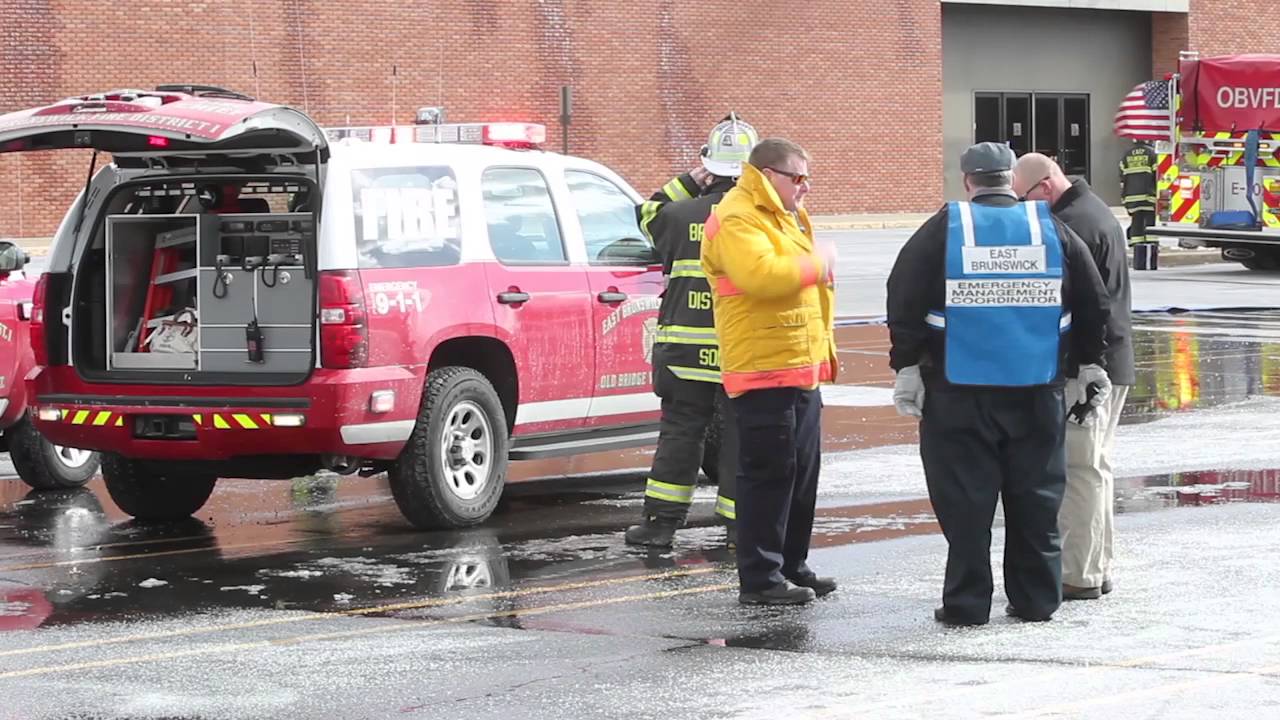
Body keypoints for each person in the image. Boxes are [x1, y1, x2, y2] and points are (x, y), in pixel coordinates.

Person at [887, 142, 1113, 626]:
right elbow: (1095, 299)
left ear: (968, 182)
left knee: (966, 506)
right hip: (1036, 391)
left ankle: (967, 606)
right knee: (1036, 499)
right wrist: (1089, 364)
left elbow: (902, 294)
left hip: (957, 392)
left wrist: (906, 364)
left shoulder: (944, 229)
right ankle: (1036, 600)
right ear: (1011, 179)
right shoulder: (1049, 227)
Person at [701, 138, 839, 606]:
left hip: (797, 366)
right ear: (768, 174)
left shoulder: (784, 213)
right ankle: (761, 578)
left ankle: (791, 564)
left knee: (801, 474)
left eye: (807, 179)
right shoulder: (739, 215)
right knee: (768, 474)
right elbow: (761, 276)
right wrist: (819, 263)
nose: (805, 188)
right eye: (798, 178)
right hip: (763, 368)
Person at [625, 113, 759, 548]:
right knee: (743, 434)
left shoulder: (678, 216)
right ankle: (741, 527)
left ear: (710, 166)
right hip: (741, 350)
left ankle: (660, 525)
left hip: (683, 349)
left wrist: (688, 180)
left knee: (681, 432)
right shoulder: (762, 219)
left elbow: (645, 213)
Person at [1013, 153, 1133, 601]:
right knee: (1096, 467)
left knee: (1079, 470)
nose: (1021, 207)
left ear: (1044, 187)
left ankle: (1078, 574)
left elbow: (1079, 307)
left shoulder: (1074, 224)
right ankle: (1095, 567)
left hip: (1091, 371)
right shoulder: (1093, 210)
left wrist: (1083, 369)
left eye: (1022, 197)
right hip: (1110, 364)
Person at [1119, 139, 1158, 249]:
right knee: (1150, 220)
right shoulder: (1152, 154)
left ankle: (1137, 244)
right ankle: (1151, 245)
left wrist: (1124, 196)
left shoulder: (1126, 155)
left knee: (1137, 219)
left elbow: (1122, 178)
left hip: (1131, 196)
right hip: (1148, 196)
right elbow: (1157, 176)